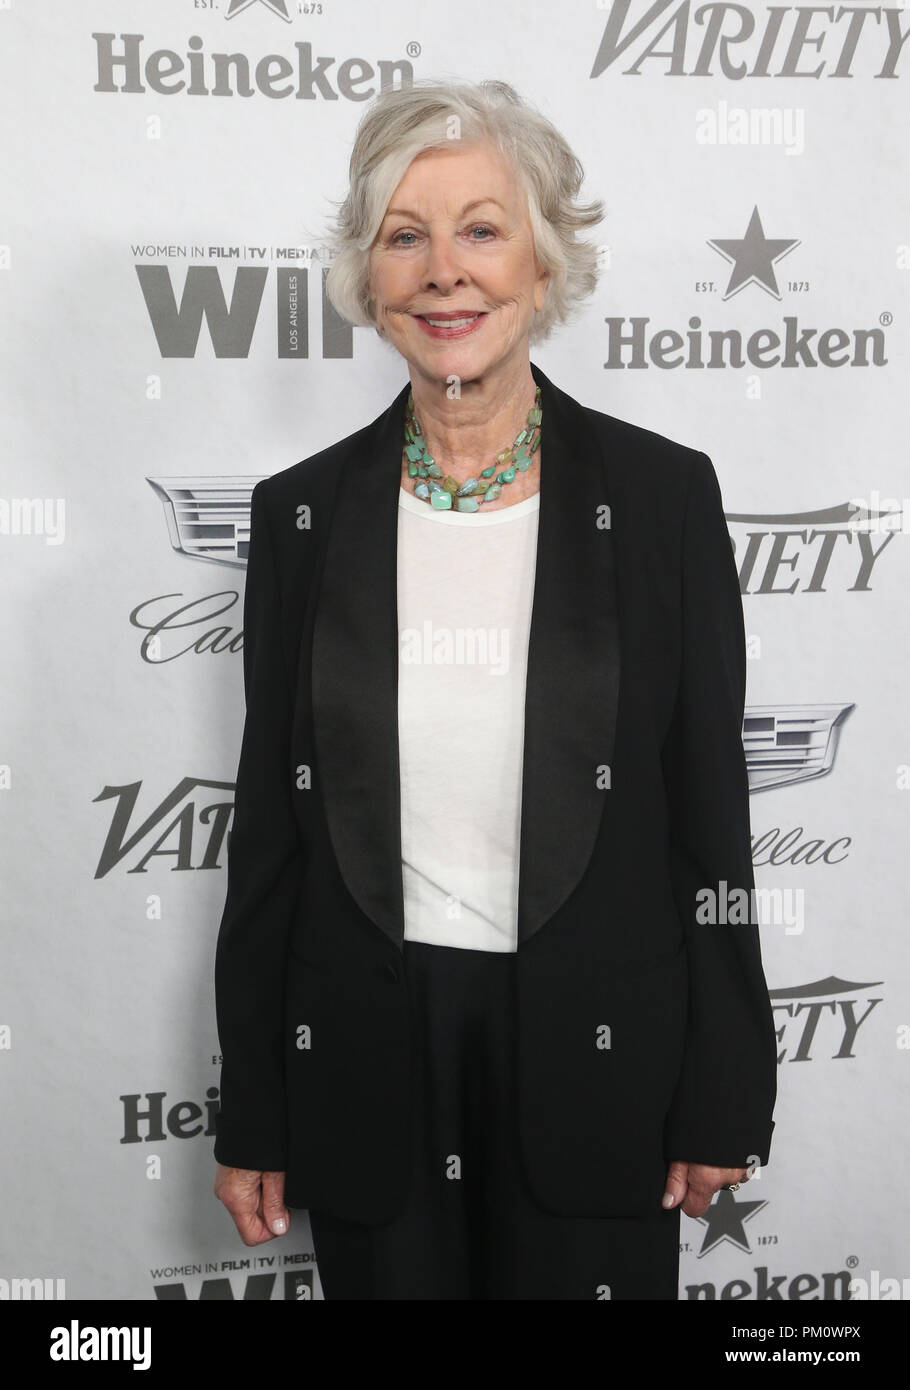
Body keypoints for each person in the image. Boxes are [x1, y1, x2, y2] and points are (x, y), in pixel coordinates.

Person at [212, 78, 777, 1300]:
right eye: (403, 236)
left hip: (597, 1056)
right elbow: (271, 833)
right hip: (367, 1052)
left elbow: (708, 814)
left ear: (543, 263)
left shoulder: (664, 496)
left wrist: (724, 1086)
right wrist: (254, 1101)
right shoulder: (299, 515)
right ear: (368, 278)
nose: (441, 272)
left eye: (481, 228)